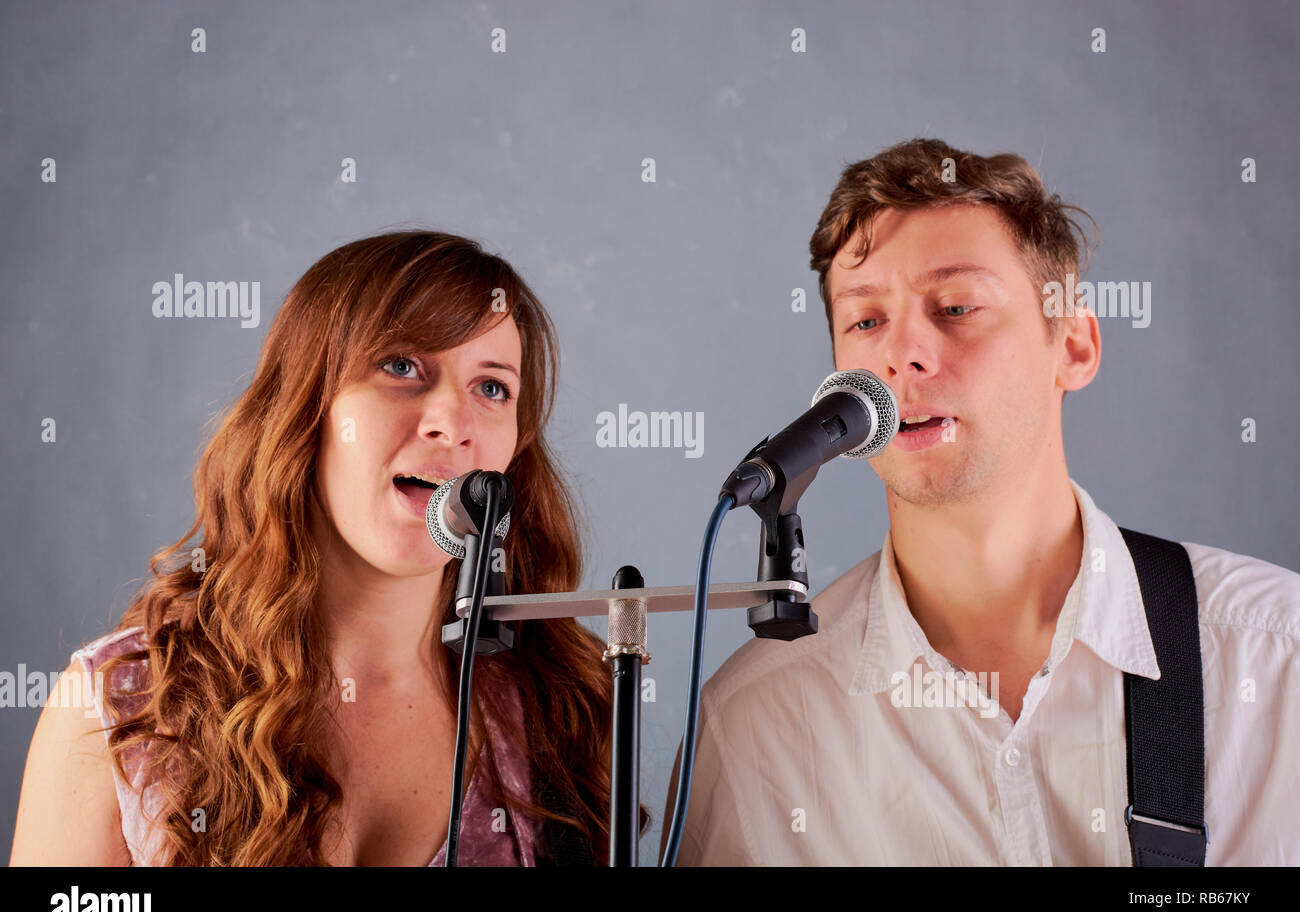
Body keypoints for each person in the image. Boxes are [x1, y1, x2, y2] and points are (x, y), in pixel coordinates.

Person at [665, 138, 1300, 865]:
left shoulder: (1279, 656)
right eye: (865, 321)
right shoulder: (752, 731)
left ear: (1074, 347)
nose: (902, 354)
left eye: (956, 306)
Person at [11, 230, 627, 866]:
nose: (451, 423)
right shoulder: (118, 708)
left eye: (492, 388)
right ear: (307, 407)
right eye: (402, 366)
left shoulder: (562, 702)